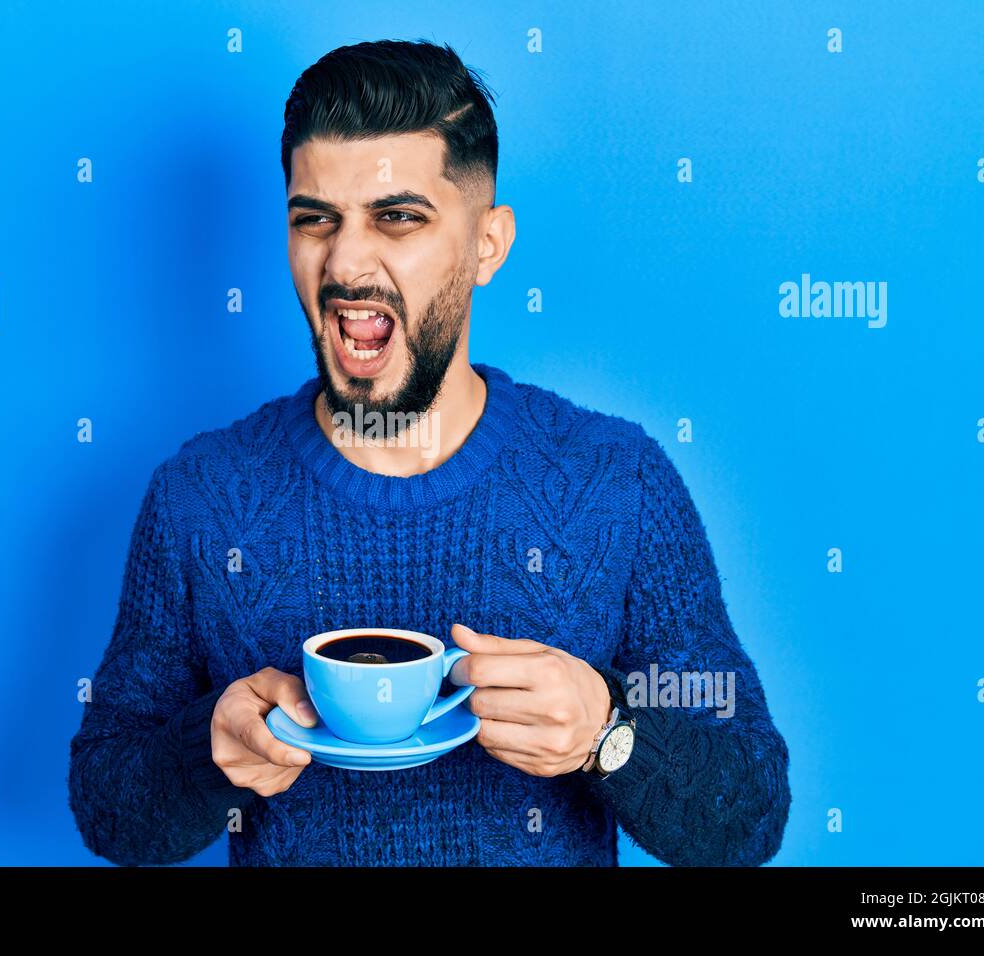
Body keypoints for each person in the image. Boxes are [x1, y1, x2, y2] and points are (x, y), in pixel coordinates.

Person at [67, 38, 790, 866]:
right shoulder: (199, 494)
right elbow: (107, 807)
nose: (343, 262)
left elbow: (751, 815)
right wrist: (206, 754)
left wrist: (607, 733)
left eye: (397, 217)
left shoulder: (616, 482)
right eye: (315, 220)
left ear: (487, 243)